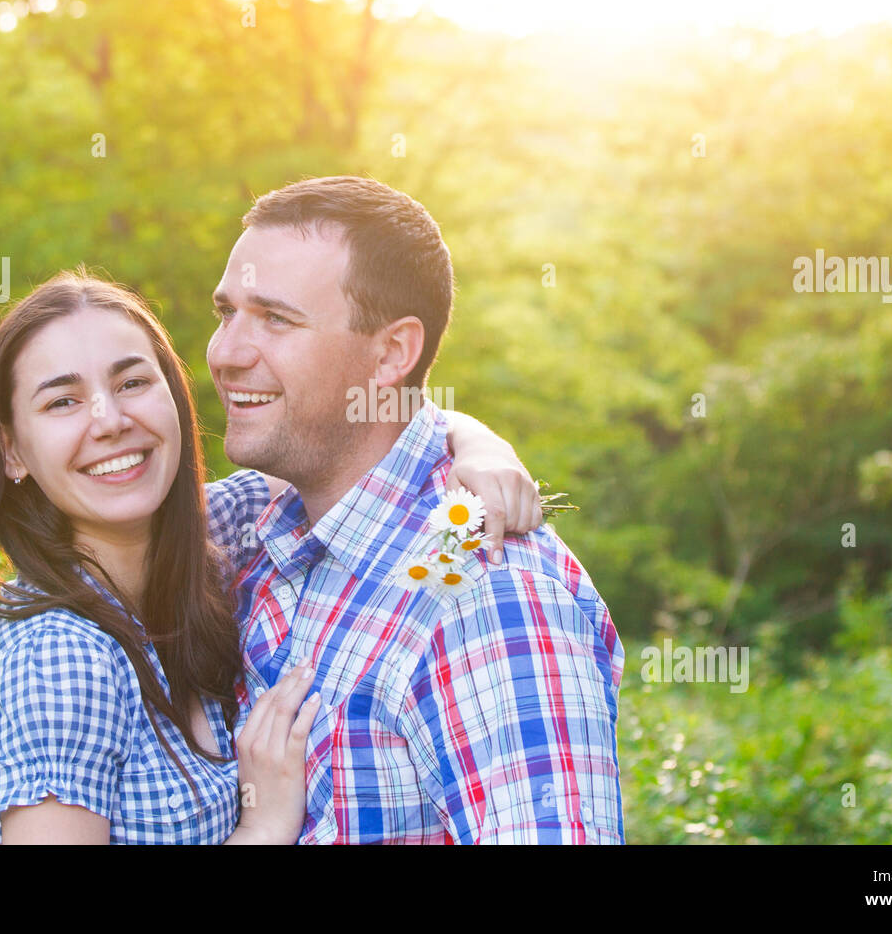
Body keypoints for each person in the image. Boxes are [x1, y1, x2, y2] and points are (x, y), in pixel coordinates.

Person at [0, 268, 541, 844]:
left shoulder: (215, 534)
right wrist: (260, 830)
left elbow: (362, 447)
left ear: (173, 399)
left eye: (132, 383)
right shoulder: (58, 652)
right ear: (11, 452)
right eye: (62, 401)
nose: (110, 420)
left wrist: (477, 445)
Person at [207, 176, 625, 843]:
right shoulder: (259, 524)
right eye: (225, 313)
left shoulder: (488, 595)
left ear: (392, 353)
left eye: (276, 319)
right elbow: (81, 549)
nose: (225, 353)